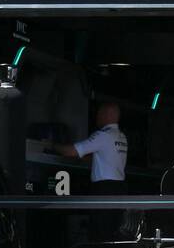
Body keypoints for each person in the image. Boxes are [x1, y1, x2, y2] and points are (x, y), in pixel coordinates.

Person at [48, 102, 128, 239]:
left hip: (104, 190)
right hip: (119, 189)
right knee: (113, 231)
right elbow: (105, 158)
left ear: (106, 115)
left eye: (99, 113)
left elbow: (71, 151)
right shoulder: (121, 136)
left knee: (100, 231)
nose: (97, 117)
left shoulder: (102, 135)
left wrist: (51, 145)